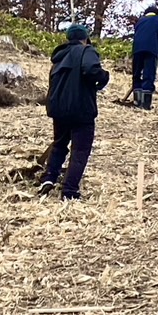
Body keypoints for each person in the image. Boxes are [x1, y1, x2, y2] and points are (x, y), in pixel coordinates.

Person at [39, 24, 110, 200]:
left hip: (59, 108)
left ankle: (48, 178)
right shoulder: (87, 51)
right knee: (80, 150)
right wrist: (104, 77)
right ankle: (69, 190)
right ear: (85, 38)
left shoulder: (58, 57)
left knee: (59, 144)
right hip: (81, 109)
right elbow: (91, 69)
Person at [130, 5, 158, 110]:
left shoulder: (140, 21)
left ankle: (137, 101)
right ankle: (146, 104)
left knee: (136, 74)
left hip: (137, 49)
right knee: (148, 74)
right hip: (151, 49)